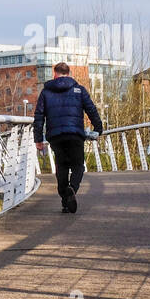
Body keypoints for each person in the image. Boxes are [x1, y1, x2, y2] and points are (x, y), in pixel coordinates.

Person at [33, 62, 103, 214]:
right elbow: (91, 109)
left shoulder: (46, 92)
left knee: (62, 167)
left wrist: (38, 138)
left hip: (56, 136)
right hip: (75, 134)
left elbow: (39, 116)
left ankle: (65, 201)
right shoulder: (79, 90)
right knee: (78, 166)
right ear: (69, 73)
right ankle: (72, 188)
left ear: (55, 74)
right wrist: (98, 129)